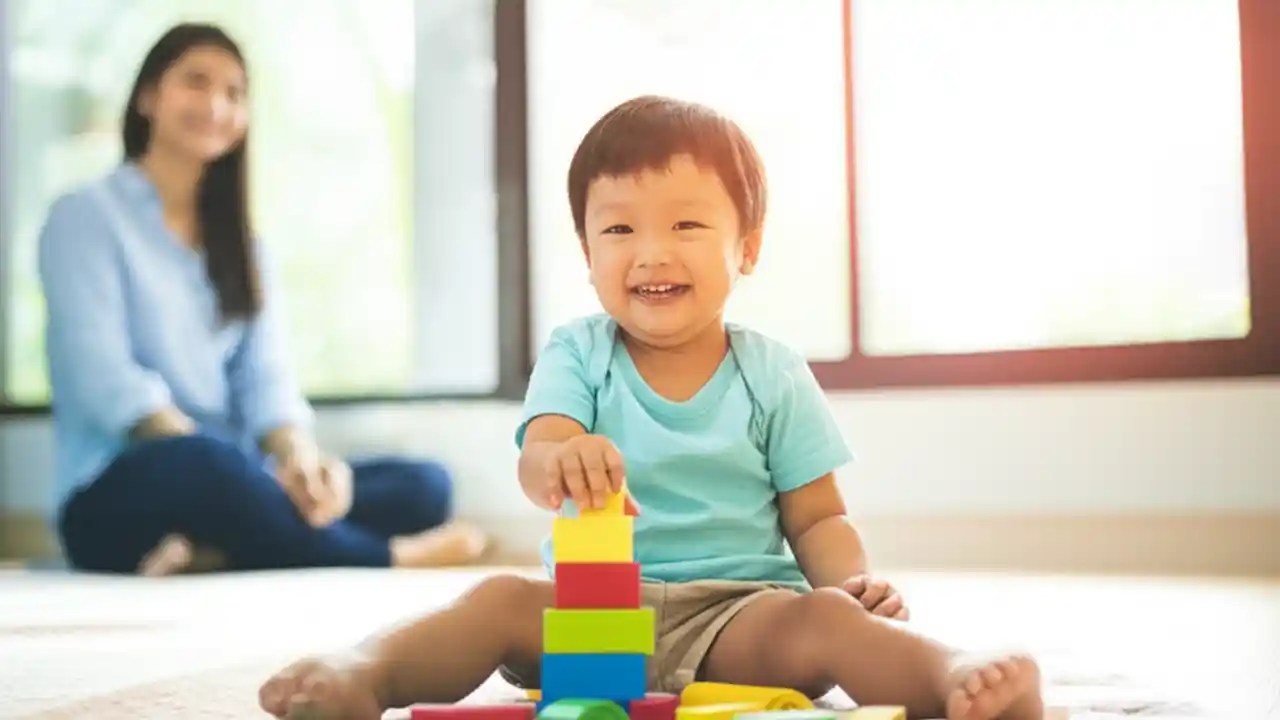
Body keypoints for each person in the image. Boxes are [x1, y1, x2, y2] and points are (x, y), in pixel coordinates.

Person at [256, 96, 1043, 720]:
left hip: (738, 616)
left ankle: (957, 676)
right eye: (620, 228)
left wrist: (853, 585)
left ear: (748, 247)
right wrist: (560, 457)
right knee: (495, 601)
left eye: (687, 225)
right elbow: (541, 456)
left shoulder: (771, 371)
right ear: (589, 254)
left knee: (832, 627)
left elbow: (816, 518)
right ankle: (364, 673)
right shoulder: (578, 352)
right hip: (589, 618)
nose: (652, 252)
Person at [38, 23, 487, 576]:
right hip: (120, 492)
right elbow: (104, 378)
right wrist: (239, 473)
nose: (215, 105)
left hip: (232, 476)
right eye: (195, 82)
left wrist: (300, 461)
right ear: (149, 97)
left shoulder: (245, 247)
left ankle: (216, 551)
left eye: (234, 93)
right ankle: (383, 557)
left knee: (424, 487)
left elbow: (265, 382)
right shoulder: (83, 217)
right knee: (203, 465)